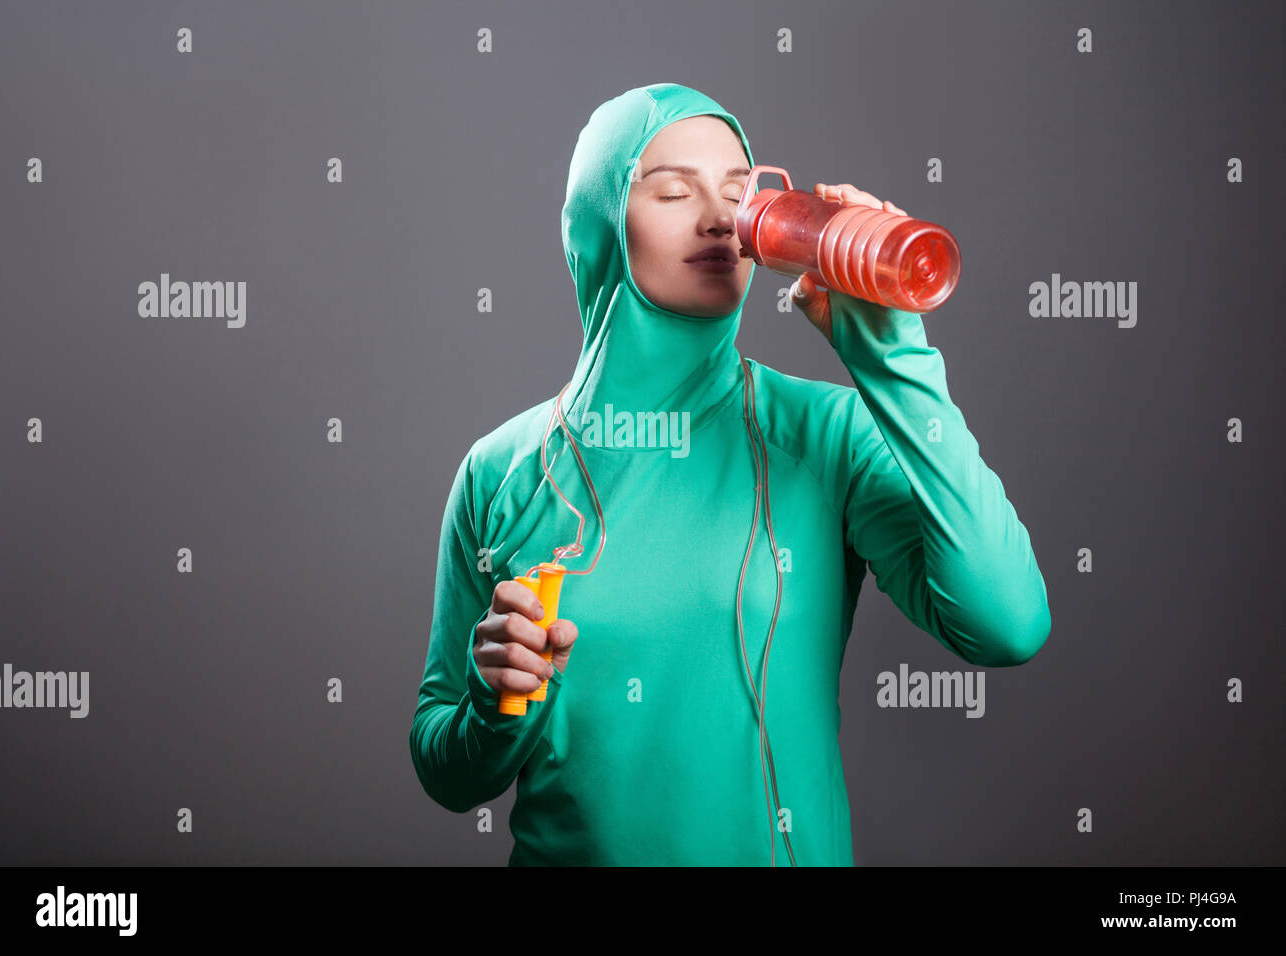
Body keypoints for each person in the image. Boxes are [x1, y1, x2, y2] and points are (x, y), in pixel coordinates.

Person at [409, 82, 1051, 866]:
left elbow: (1007, 624)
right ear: (600, 222)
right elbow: (446, 774)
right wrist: (494, 701)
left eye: (742, 192)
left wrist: (893, 357)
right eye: (673, 190)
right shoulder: (501, 470)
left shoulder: (826, 434)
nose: (720, 217)